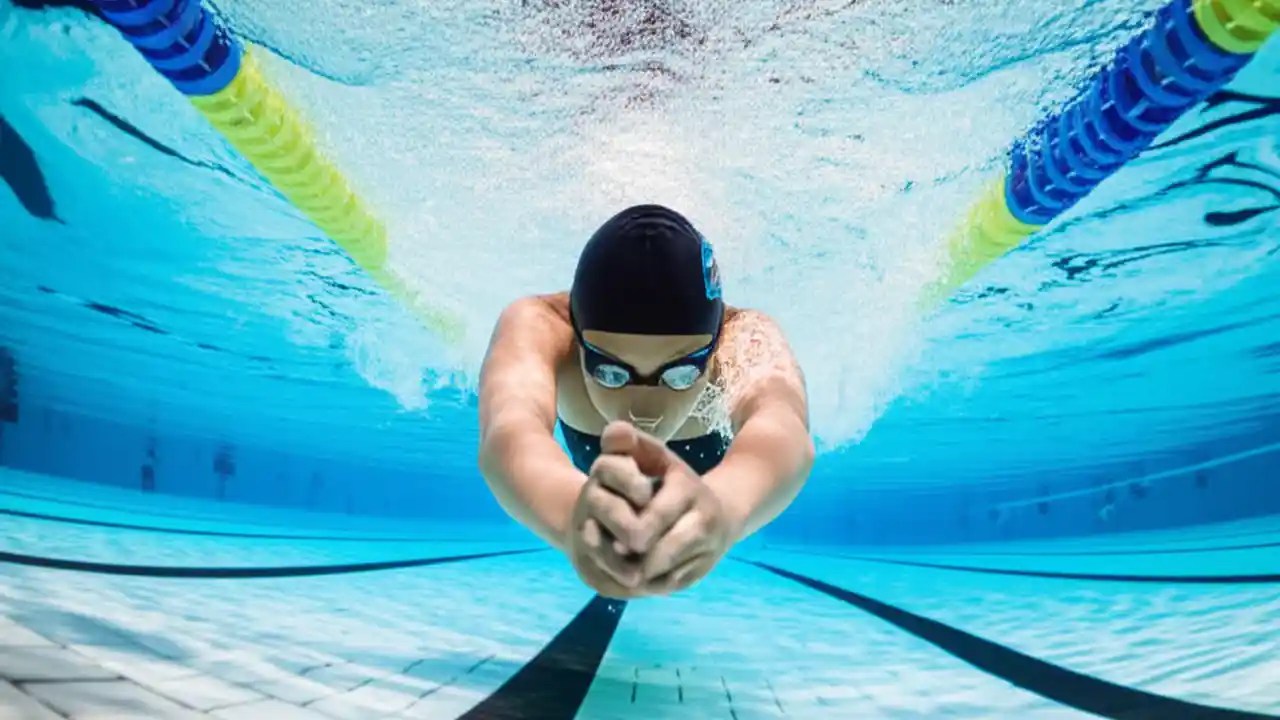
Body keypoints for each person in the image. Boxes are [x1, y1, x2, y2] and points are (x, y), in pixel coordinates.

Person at [478, 204, 813, 599]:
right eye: (611, 372)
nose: (643, 409)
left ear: (716, 342)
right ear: (577, 336)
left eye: (681, 373)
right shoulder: (541, 325)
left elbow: (783, 426)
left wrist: (724, 506)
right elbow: (511, 429)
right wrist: (568, 512)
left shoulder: (744, 339)